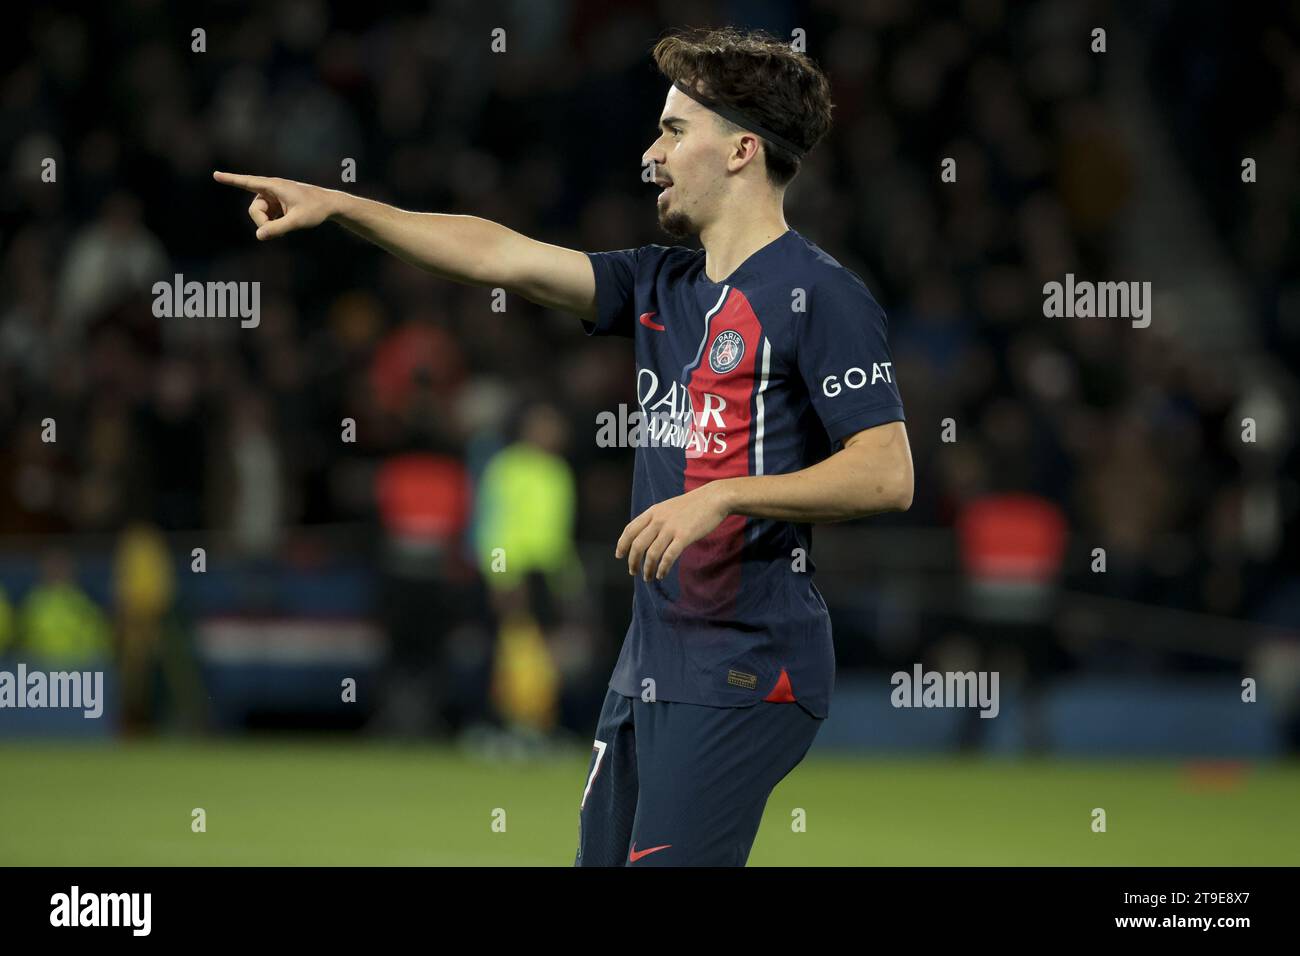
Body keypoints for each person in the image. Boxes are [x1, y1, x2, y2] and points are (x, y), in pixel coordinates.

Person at [212, 26, 914, 866]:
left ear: (741, 151)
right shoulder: (659, 283)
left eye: (673, 130)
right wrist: (345, 207)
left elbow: (887, 472)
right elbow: (500, 255)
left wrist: (726, 493)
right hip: (650, 660)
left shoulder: (818, 295)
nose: (652, 153)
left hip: (749, 666)